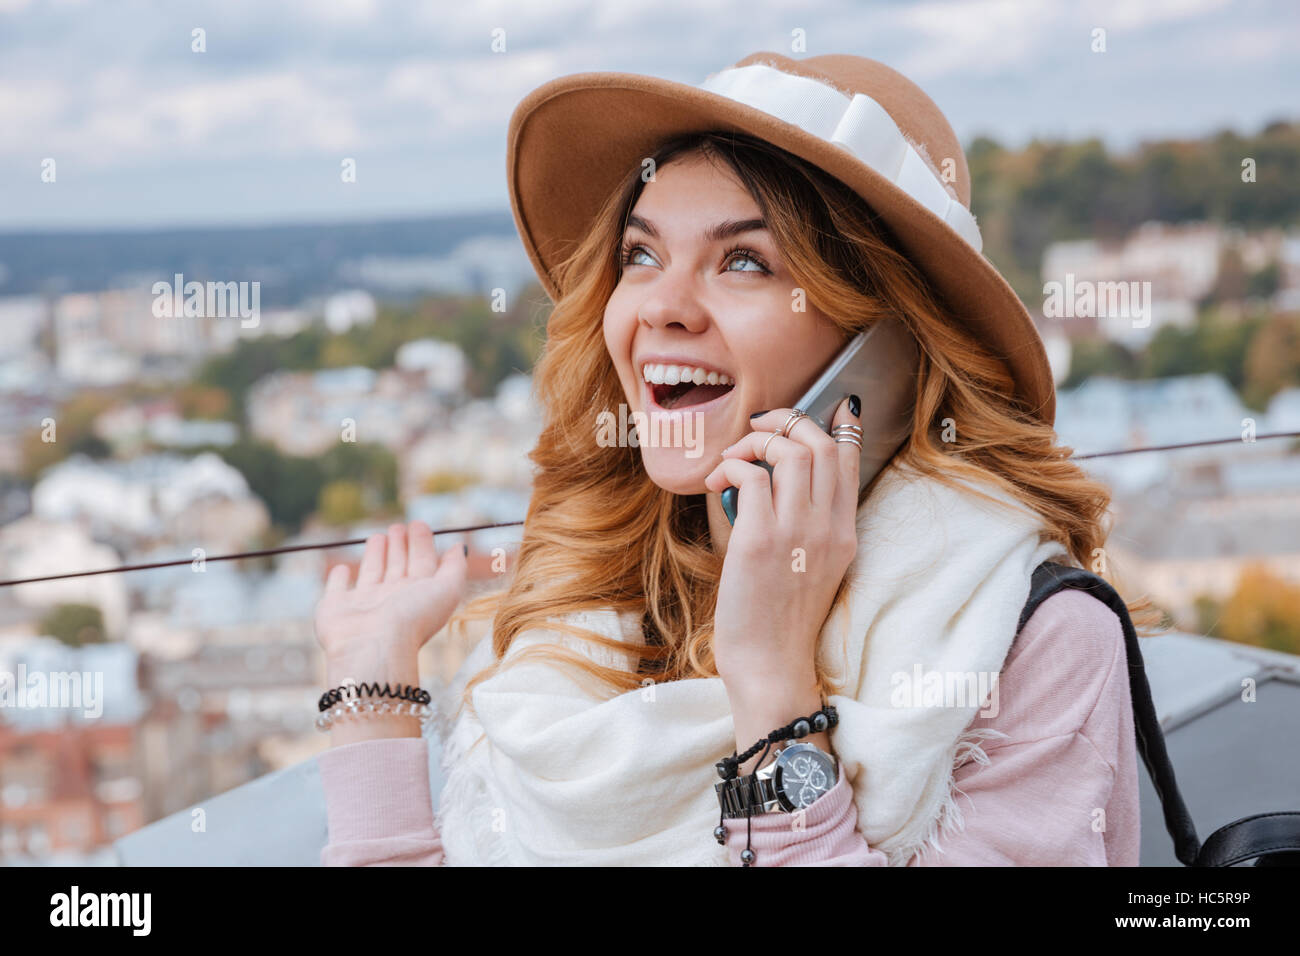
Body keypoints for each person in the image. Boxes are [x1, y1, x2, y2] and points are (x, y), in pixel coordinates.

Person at [312, 51, 1156, 867]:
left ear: (886, 347)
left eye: (744, 261)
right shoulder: (589, 598)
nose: (662, 308)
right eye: (641, 255)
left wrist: (773, 685)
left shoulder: (1029, 638)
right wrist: (370, 687)